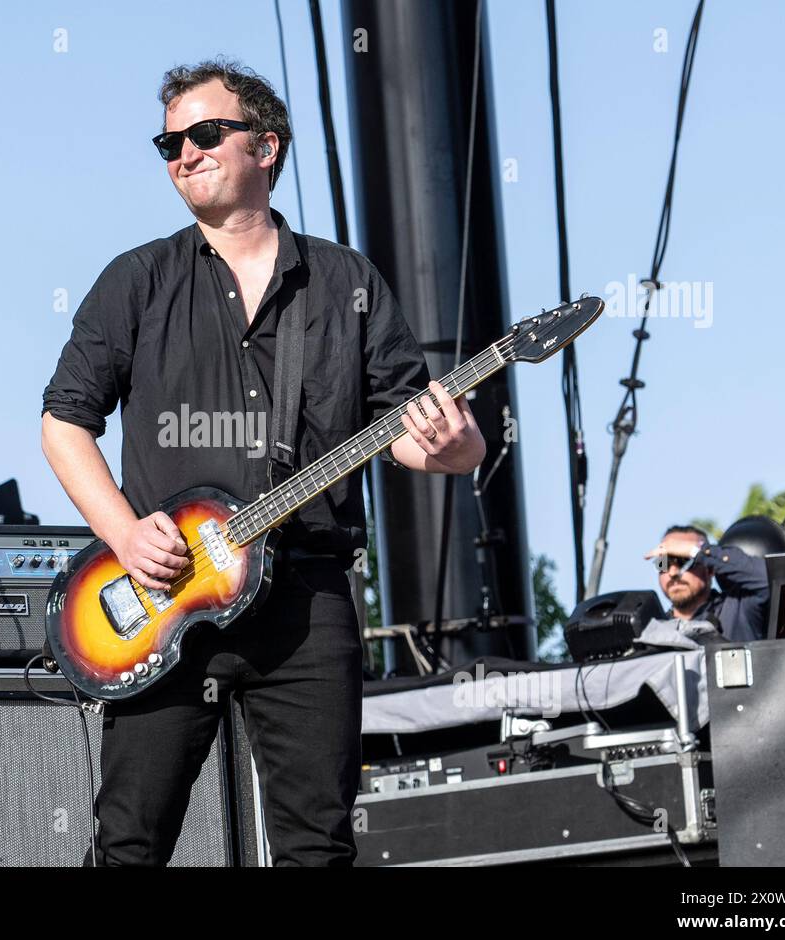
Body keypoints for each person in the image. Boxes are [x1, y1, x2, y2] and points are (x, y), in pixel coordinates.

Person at [40, 59, 485, 865]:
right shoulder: (137, 280)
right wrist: (125, 534)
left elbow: (408, 429)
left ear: (267, 146)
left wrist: (459, 449)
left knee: (318, 846)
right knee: (130, 841)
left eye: (206, 134)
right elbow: (64, 424)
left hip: (307, 598)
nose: (185, 154)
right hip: (168, 594)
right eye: (170, 143)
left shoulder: (345, 280)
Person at [644, 524, 769, 642]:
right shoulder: (651, 631)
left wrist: (698, 550)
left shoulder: (738, 608)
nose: (672, 573)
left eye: (684, 561)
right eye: (663, 563)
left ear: (710, 569)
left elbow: (768, 578)